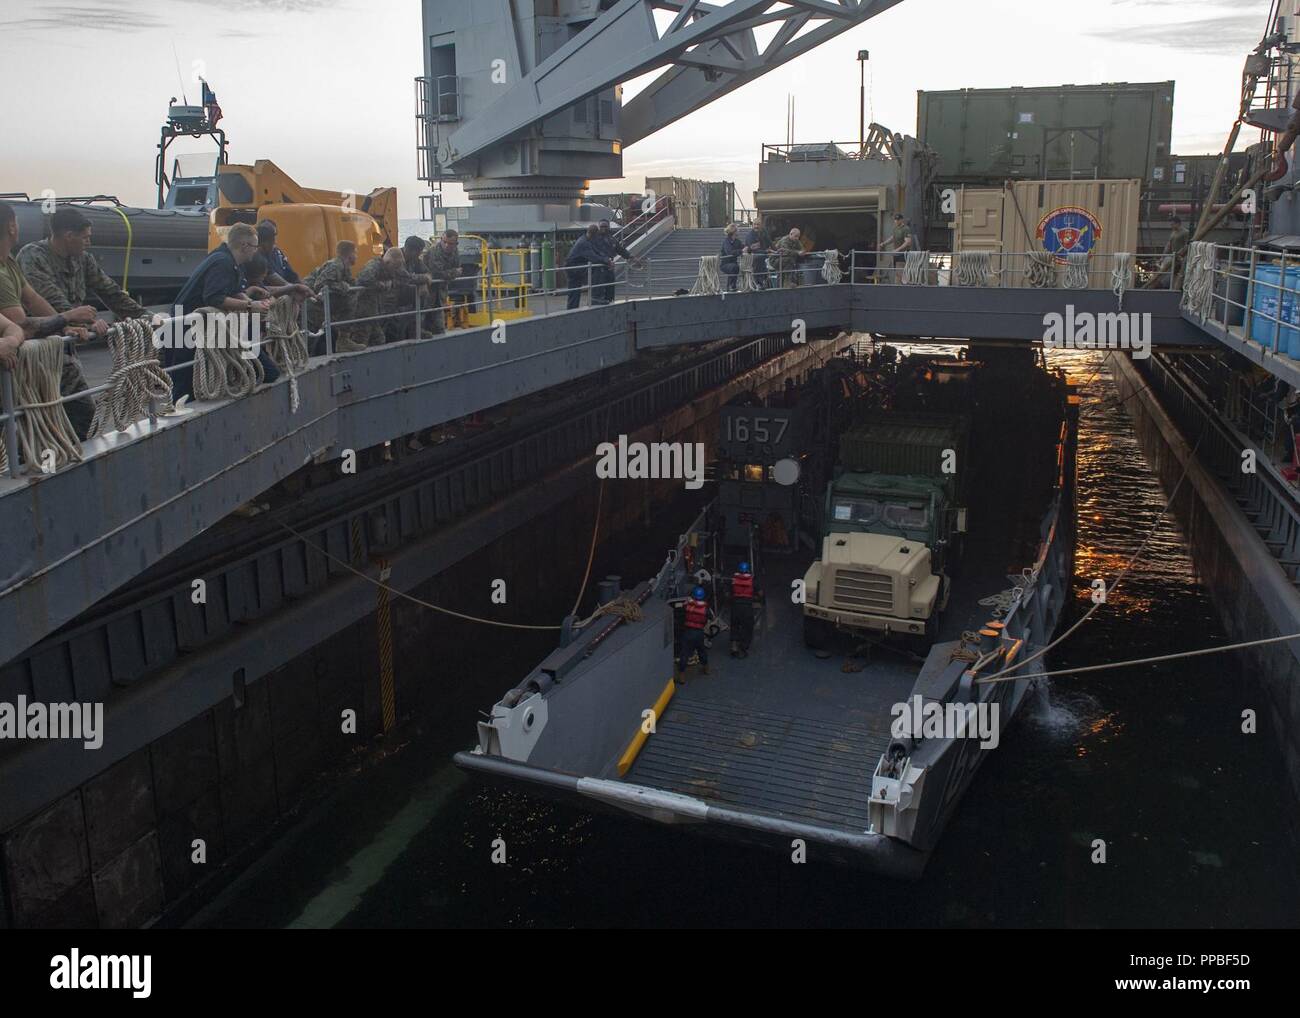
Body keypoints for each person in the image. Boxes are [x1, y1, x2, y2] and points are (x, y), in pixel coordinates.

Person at [0, 201, 101, 437]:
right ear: (12, 227)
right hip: (13, 368)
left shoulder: (9, 262)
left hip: (24, 358)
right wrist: (68, 316)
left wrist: (66, 325)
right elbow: (21, 326)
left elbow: (34, 300)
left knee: (78, 413)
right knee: (76, 413)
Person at [170, 221, 280, 397]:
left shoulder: (226, 258)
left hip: (196, 326)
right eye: (254, 246)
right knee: (185, 383)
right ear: (244, 245)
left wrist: (250, 298)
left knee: (188, 380)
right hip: (187, 327)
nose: (256, 250)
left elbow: (231, 290)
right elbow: (214, 297)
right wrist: (251, 305)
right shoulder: (223, 262)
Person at [304, 240, 362, 352]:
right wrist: (342, 286)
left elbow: (351, 283)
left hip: (317, 305)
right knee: (308, 341)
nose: (356, 256)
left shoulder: (344, 268)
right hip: (311, 305)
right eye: (355, 253)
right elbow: (319, 284)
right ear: (349, 255)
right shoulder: (336, 265)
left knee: (312, 340)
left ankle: (344, 340)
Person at [592, 219, 640, 303]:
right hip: (599, 267)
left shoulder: (612, 239)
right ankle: (597, 303)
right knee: (598, 288)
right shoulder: (595, 239)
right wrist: (606, 260)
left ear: (609, 227)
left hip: (609, 267)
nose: (603, 228)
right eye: (602, 226)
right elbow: (596, 252)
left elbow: (620, 250)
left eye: (605, 226)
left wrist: (631, 256)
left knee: (610, 286)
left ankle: (610, 301)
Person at [423, 230, 461, 333]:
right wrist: (453, 272)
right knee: (423, 318)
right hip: (427, 291)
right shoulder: (434, 251)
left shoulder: (455, 251)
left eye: (450, 243)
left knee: (438, 326)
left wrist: (451, 273)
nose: (446, 245)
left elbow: (458, 268)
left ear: (456, 244)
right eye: (444, 242)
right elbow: (437, 273)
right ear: (441, 240)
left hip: (440, 292)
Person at [564, 225, 610, 310]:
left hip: (574, 266)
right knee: (596, 268)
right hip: (573, 267)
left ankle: (572, 310)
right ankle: (595, 298)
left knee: (574, 291)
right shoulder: (583, 243)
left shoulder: (586, 239)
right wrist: (606, 261)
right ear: (594, 234)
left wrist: (607, 259)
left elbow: (597, 251)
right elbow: (593, 257)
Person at [677, 585, 710, 683]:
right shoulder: (705, 609)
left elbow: (681, 612)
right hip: (699, 633)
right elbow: (707, 619)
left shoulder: (687, 606)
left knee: (684, 653)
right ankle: (706, 668)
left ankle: (682, 675)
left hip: (688, 632)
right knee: (702, 651)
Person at [255, 219, 300, 286]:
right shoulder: (256, 256)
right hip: (276, 291)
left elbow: (291, 274)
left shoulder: (277, 253)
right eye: (270, 236)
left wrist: (302, 286)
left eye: (274, 235)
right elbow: (271, 277)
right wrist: (294, 288)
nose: (274, 241)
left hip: (287, 288)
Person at [729, 561, 759, 658]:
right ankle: (744, 646)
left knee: (734, 625)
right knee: (748, 627)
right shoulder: (752, 581)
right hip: (747, 607)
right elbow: (759, 592)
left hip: (735, 606)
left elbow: (729, 592)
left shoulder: (734, 580)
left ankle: (734, 645)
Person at [883, 211, 914, 281]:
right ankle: (898, 282)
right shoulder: (895, 228)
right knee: (896, 270)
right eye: (895, 220)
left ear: (901, 220)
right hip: (896, 254)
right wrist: (884, 243)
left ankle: (904, 283)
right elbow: (893, 238)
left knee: (902, 270)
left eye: (898, 219)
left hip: (903, 253)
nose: (896, 221)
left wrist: (898, 249)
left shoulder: (906, 229)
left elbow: (908, 242)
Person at [744, 217, 772, 288]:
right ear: (752, 225)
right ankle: (758, 282)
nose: (756, 226)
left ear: (761, 225)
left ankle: (766, 281)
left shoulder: (763, 233)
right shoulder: (750, 236)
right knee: (759, 258)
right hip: (752, 256)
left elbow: (769, 242)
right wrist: (766, 251)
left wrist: (776, 250)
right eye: (755, 224)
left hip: (763, 255)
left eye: (758, 224)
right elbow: (753, 250)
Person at [1163, 216, 1190, 289]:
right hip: (1174, 256)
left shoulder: (1185, 232)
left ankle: (1180, 287)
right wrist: (1163, 255)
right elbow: (1169, 244)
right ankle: (1173, 288)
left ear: (1178, 224)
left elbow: (1187, 244)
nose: (1171, 226)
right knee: (1174, 272)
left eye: (1172, 224)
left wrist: (1180, 253)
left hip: (1181, 257)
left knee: (1181, 273)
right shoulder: (1173, 232)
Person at [719, 223, 745, 292]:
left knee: (735, 267)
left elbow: (743, 247)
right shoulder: (726, 242)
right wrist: (741, 251)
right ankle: (731, 286)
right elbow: (729, 252)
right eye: (737, 230)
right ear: (734, 232)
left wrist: (750, 247)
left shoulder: (737, 241)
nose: (738, 232)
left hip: (733, 263)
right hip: (725, 264)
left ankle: (731, 286)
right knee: (734, 267)